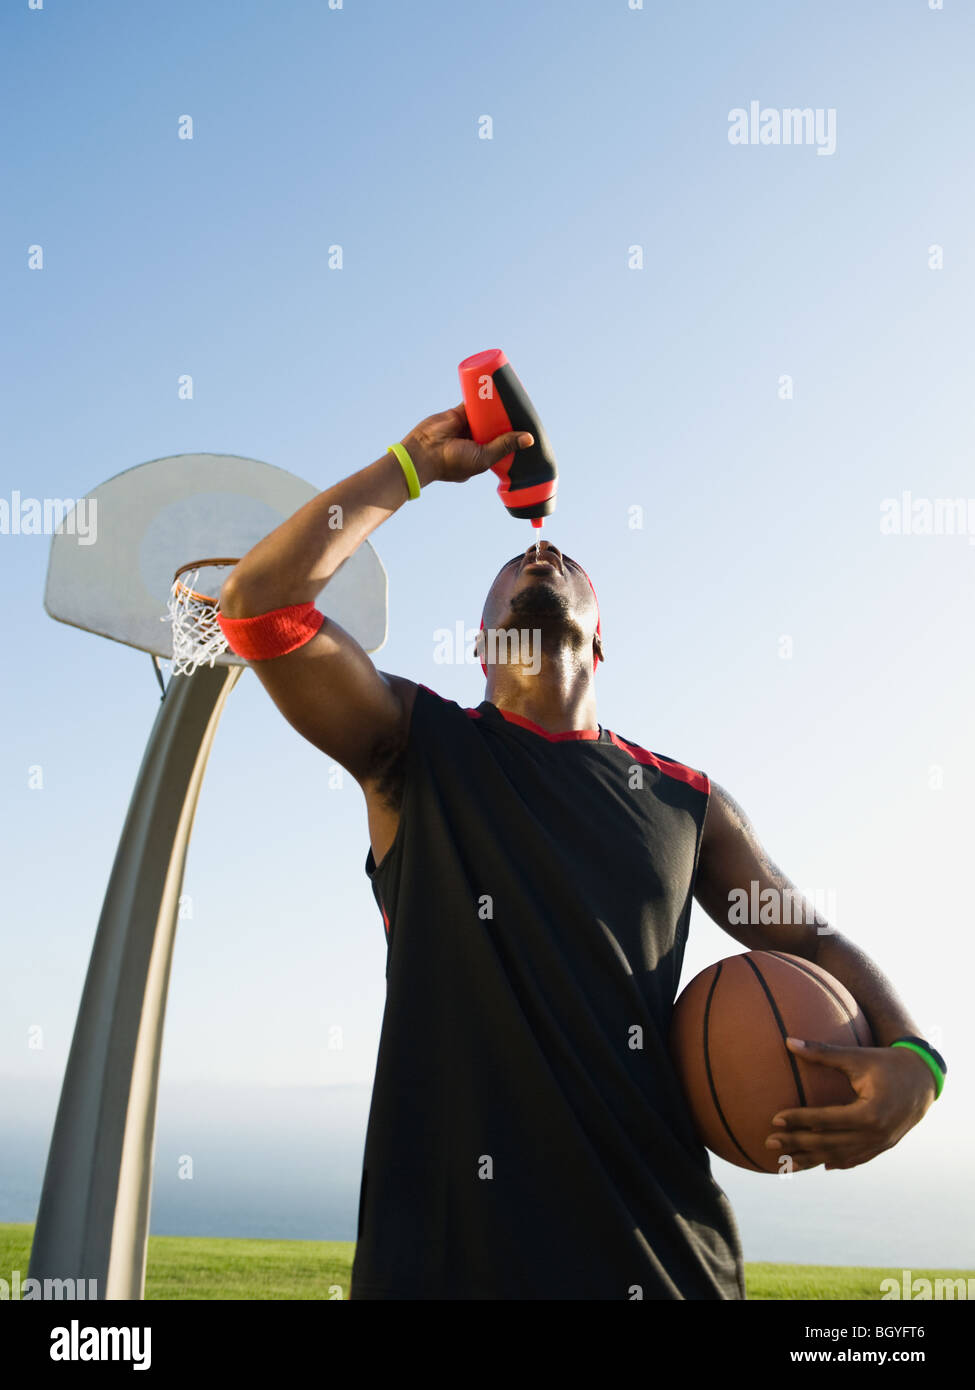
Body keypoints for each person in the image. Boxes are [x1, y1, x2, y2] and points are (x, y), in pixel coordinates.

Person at [216, 403, 943, 1300]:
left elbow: (815, 945)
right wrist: (410, 466)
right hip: (441, 1267)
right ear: (481, 643)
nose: (540, 555)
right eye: (514, 564)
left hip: (663, 1263)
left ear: (598, 638)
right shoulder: (415, 748)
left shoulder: (687, 800)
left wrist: (918, 1060)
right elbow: (260, 606)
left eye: (564, 560)